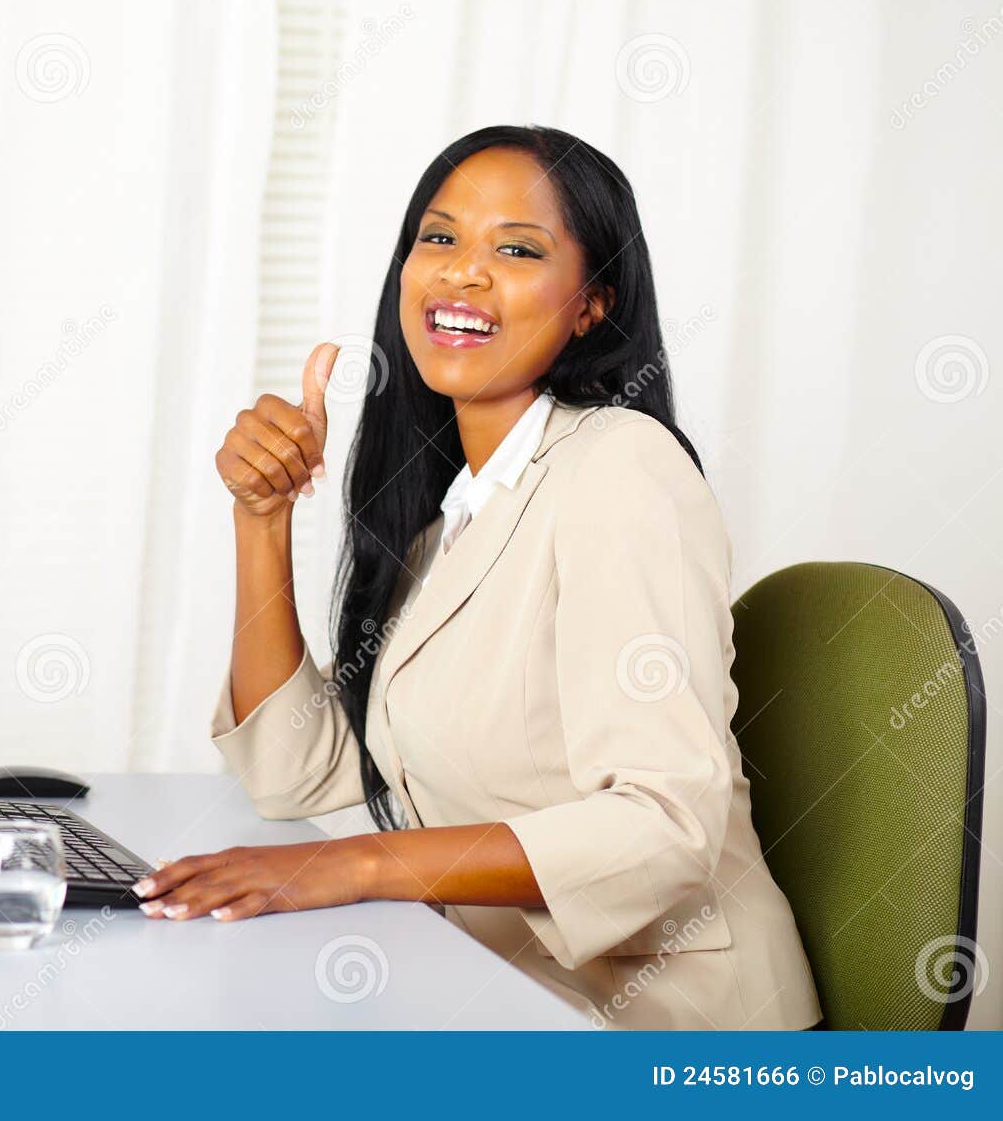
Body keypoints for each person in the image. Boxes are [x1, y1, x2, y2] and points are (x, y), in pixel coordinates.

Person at [133, 125, 822, 1031]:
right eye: (440, 237)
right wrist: (262, 520)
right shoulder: (449, 522)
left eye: (518, 249)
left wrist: (359, 865)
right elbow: (296, 776)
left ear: (590, 306)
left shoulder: (623, 468)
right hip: (495, 995)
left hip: (662, 1025)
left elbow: (667, 825)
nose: (463, 271)